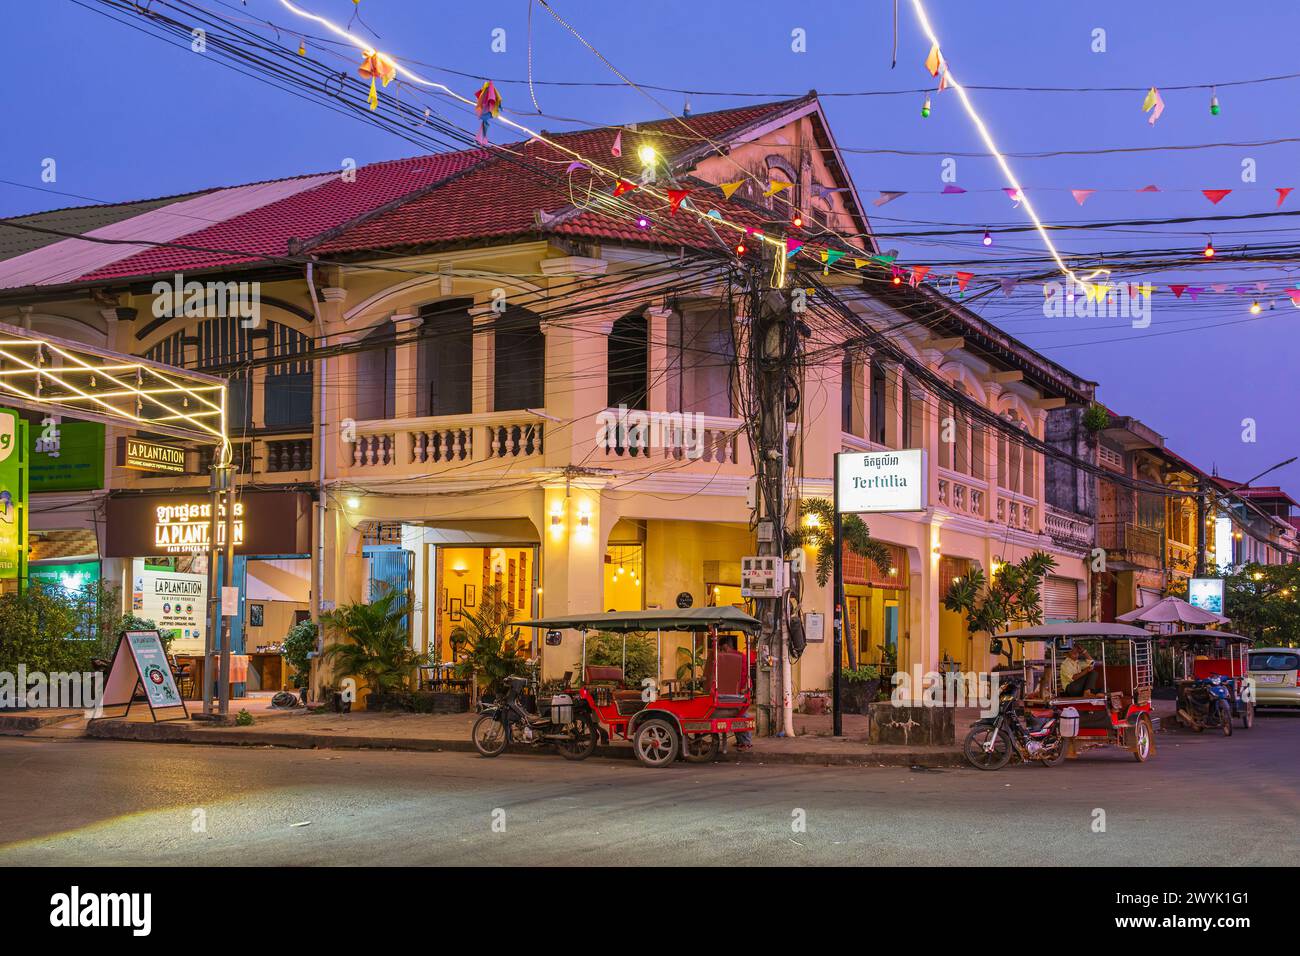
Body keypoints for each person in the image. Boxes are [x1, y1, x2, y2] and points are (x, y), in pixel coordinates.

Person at [718, 634, 754, 751]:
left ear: (726, 646)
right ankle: (741, 740)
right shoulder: (737, 656)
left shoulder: (736, 657)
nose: (721, 651)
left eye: (722, 648)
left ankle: (746, 741)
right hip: (737, 689)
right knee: (735, 714)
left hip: (741, 690)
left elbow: (743, 675)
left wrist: (741, 688)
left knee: (741, 714)